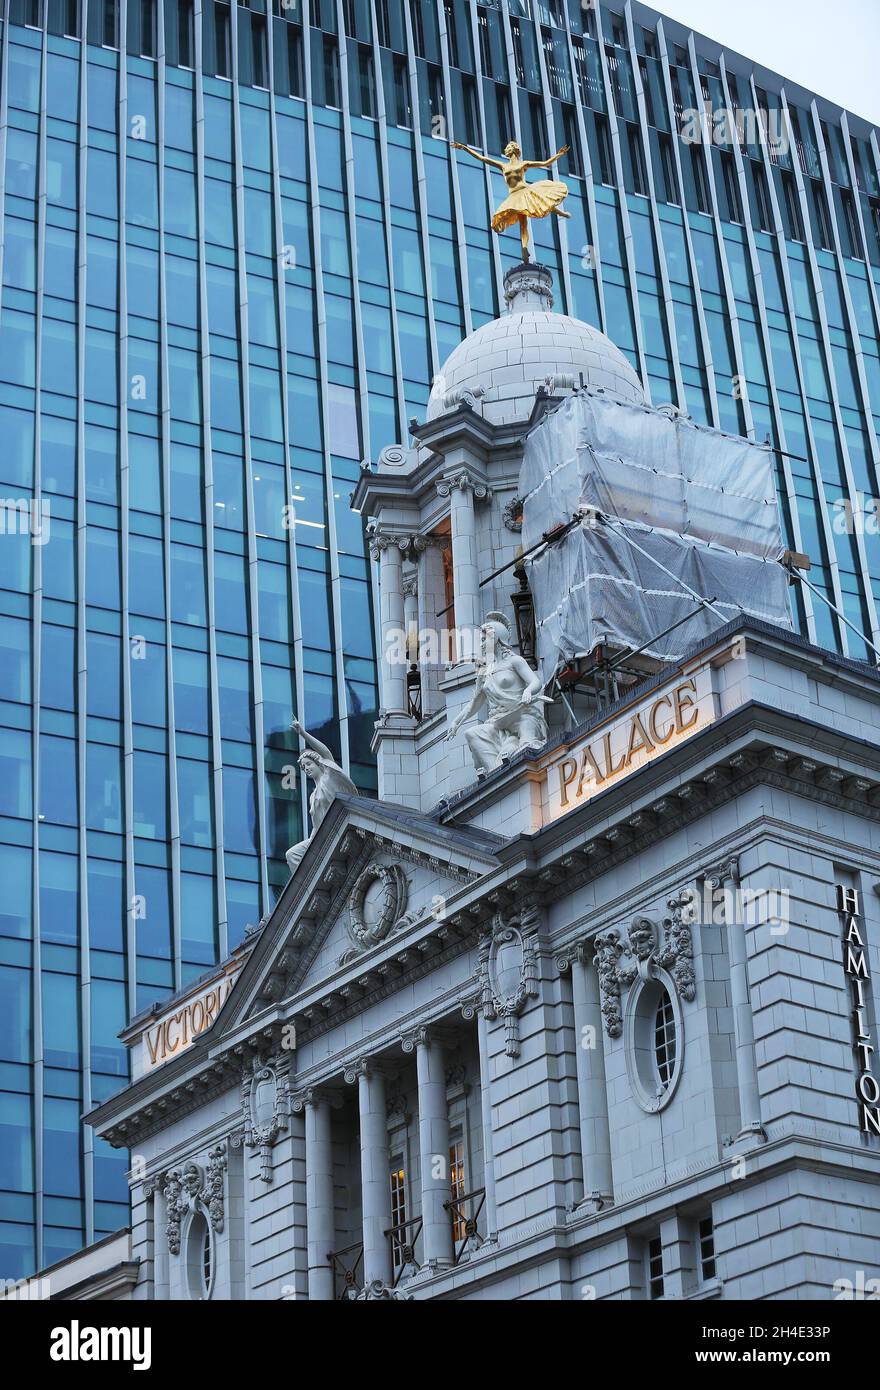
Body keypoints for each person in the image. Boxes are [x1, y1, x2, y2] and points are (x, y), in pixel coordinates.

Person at [445, 613, 552, 776]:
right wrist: (456, 722)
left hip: (522, 716)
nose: (481, 644)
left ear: (496, 638)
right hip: (498, 723)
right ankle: (495, 774)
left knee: (527, 749)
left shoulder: (515, 661)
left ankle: (509, 762)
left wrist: (528, 691)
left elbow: (535, 682)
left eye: (483, 639)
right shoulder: (484, 672)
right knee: (472, 733)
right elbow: (474, 703)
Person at [451, 138, 571, 259]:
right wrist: (465, 148)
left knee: (543, 202)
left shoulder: (523, 164)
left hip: (525, 191)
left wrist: (558, 155)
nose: (506, 150)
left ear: (514, 150)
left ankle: (561, 213)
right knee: (524, 222)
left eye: (508, 148)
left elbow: (545, 163)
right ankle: (524, 248)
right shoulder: (503, 165)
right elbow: (483, 159)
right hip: (514, 196)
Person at [285, 717, 358, 874]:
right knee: (292, 855)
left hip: (337, 829)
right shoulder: (313, 796)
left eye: (309, 764)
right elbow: (316, 825)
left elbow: (325, 752)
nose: (306, 769)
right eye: (304, 767)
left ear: (318, 763)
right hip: (320, 837)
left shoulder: (330, 778)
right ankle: (308, 887)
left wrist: (302, 733)